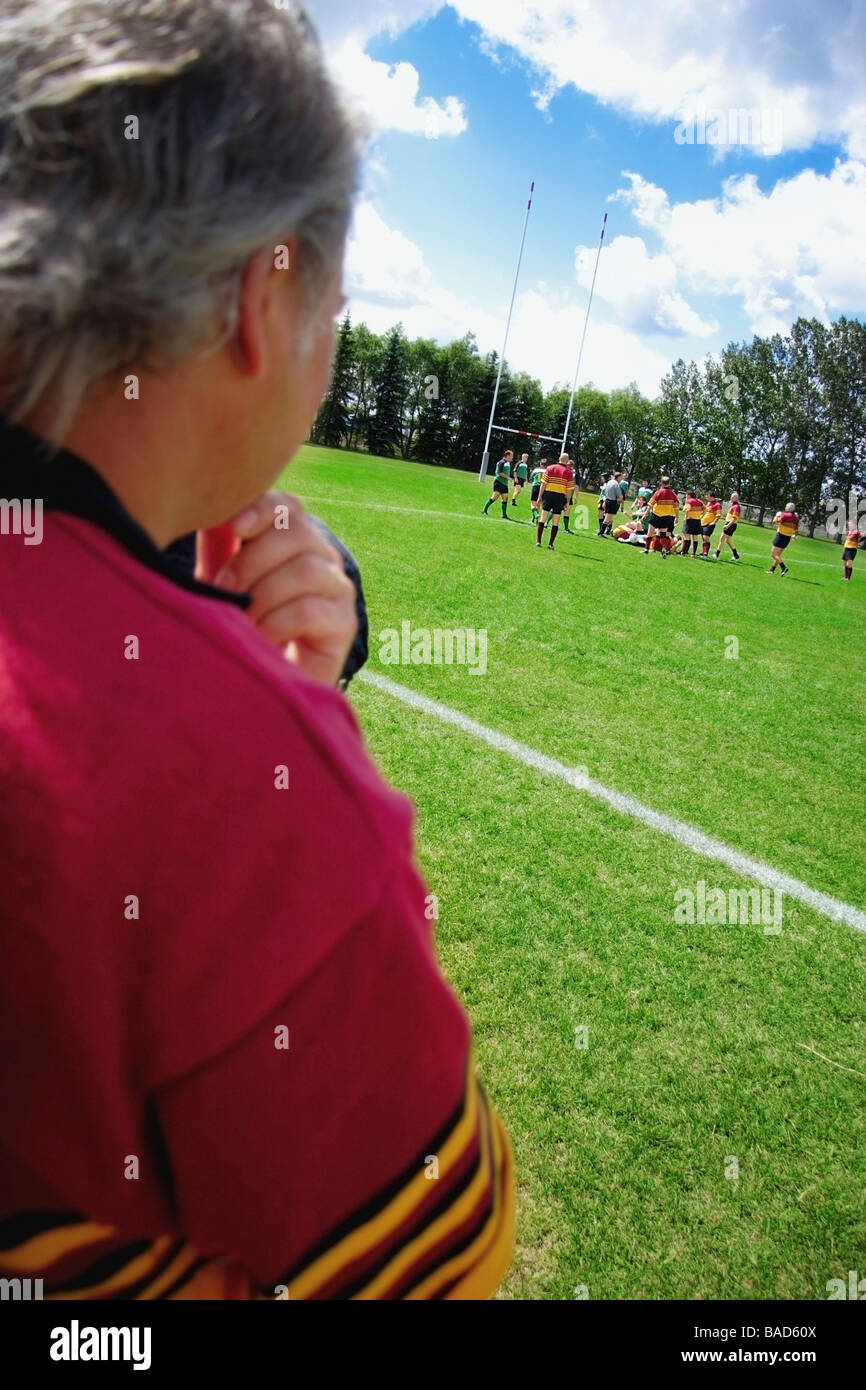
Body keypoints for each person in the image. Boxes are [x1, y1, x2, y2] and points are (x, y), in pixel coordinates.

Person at [0, 0, 513, 1303]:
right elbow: (429, 1264)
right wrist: (251, 728)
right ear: (262, 295)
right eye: (333, 301)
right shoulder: (231, 771)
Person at [536, 454, 572, 550]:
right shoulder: (568, 472)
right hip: (560, 497)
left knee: (543, 518)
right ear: (567, 461)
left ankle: (538, 541)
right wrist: (567, 501)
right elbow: (569, 490)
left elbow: (543, 484)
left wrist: (539, 497)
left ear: (559, 459)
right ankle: (550, 544)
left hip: (548, 495)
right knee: (556, 521)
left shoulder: (550, 468)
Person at [643, 476, 679, 556]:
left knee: (650, 533)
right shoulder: (673, 494)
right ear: (669, 484)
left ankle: (646, 549)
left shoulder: (658, 492)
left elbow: (650, 504)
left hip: (656, 515)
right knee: (663, 535)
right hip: (666, 517)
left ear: (661, 483)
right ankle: (664, 549)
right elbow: (676, 507)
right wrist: (677, 517)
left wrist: (646, 513)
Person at [768, 503, 799, 574]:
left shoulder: (785, 515)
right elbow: (796, 529)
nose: (785, 508)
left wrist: (777, 515)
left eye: (786, 507)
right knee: (778, 556)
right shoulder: (796, 518)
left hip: (780, 536)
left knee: (773, 554)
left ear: (788, 508)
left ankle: (783, 568)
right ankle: (772, 570)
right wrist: (795, 535)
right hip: (787, 538)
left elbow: (775, 521)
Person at [483, 449, 513, 518]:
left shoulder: (508, 463)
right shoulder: (501, 462)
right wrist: (509, 478)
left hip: (504, 484)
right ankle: (484, 510)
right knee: (495, 497)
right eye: (511, 456)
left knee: (505, 498)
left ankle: (504, 515)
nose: (512, 457)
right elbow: (500, 472)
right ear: (507, 456)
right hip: (498, 482)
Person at [714, 493, 741, 561]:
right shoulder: (734, 506)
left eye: (732, 497)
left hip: (731, 524)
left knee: (722, 538)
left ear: (736, 498)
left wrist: (728, 525)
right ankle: (735, 555)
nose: (730, 498)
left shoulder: (736, 507)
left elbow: (734, 518)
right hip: (731, 524)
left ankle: (716, 554)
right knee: (728, 540)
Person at [598, 471, 624, 536]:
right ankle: (601, 533)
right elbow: (620, 497)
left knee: (607, 517)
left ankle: (602, 532)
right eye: (621, 477)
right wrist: (619, 499)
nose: (621, 479)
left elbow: (605, 491)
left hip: (606, 501)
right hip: (612, 502)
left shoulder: (609, 482)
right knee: (608, 518)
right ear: (618, 477)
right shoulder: (616, 485)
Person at [699, 492, 722, 557]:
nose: (706, 497)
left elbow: (718, 515)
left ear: (712, 497)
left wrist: (713, 522)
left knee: (706, 537)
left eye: (708, 496)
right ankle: (703, 552)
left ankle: (705, 553)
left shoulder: (717, 505)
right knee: (703, 538)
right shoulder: (709, 503)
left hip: (709, 524)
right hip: (703, 523)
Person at [681, 490, 703, 557]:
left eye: (686, 495)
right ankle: (693, 554)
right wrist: (701, 516)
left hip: (690, 520)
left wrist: (687, 517)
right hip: (697, 520)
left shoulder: (689, 501)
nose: (686, 496)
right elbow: (705, 509)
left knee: (686, 537)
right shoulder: (699, 501)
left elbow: (687, 510)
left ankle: (684, 552)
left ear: (689, 495)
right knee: (695, 537)